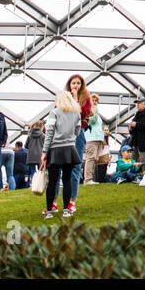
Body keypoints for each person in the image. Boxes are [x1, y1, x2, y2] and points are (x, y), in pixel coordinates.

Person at [41, 90, 82, 219]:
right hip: (69, 149)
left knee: (52, 181)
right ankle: (66, 209)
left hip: (55, 150)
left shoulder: (54, 113)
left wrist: (44, 151)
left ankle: (49, 211)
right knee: (67, 180)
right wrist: (71, 139)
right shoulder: (76, 113)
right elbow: (78, 130)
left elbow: (49, 133)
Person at [66, 75, 92, 191]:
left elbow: (81, 115)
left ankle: (72, 197)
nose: (76, 85)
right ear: (69, 84)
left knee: (76, 164)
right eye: (73, 83)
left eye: (78, 83)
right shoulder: (63, 97)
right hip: (65, 132)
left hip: (78, 132)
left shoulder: (86, 99)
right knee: (65, 164)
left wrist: (76, 100)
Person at [83, 95, 106, 185]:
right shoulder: (89, 111)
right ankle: (88, 179)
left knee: (95, 158)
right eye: (93, 100)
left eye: (96, 100)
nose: (95, 102)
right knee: (91, 158)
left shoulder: (95, 112)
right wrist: (95, 110)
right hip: (91, 138)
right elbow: (92, 121)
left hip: (98, 138)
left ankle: (90, 178)